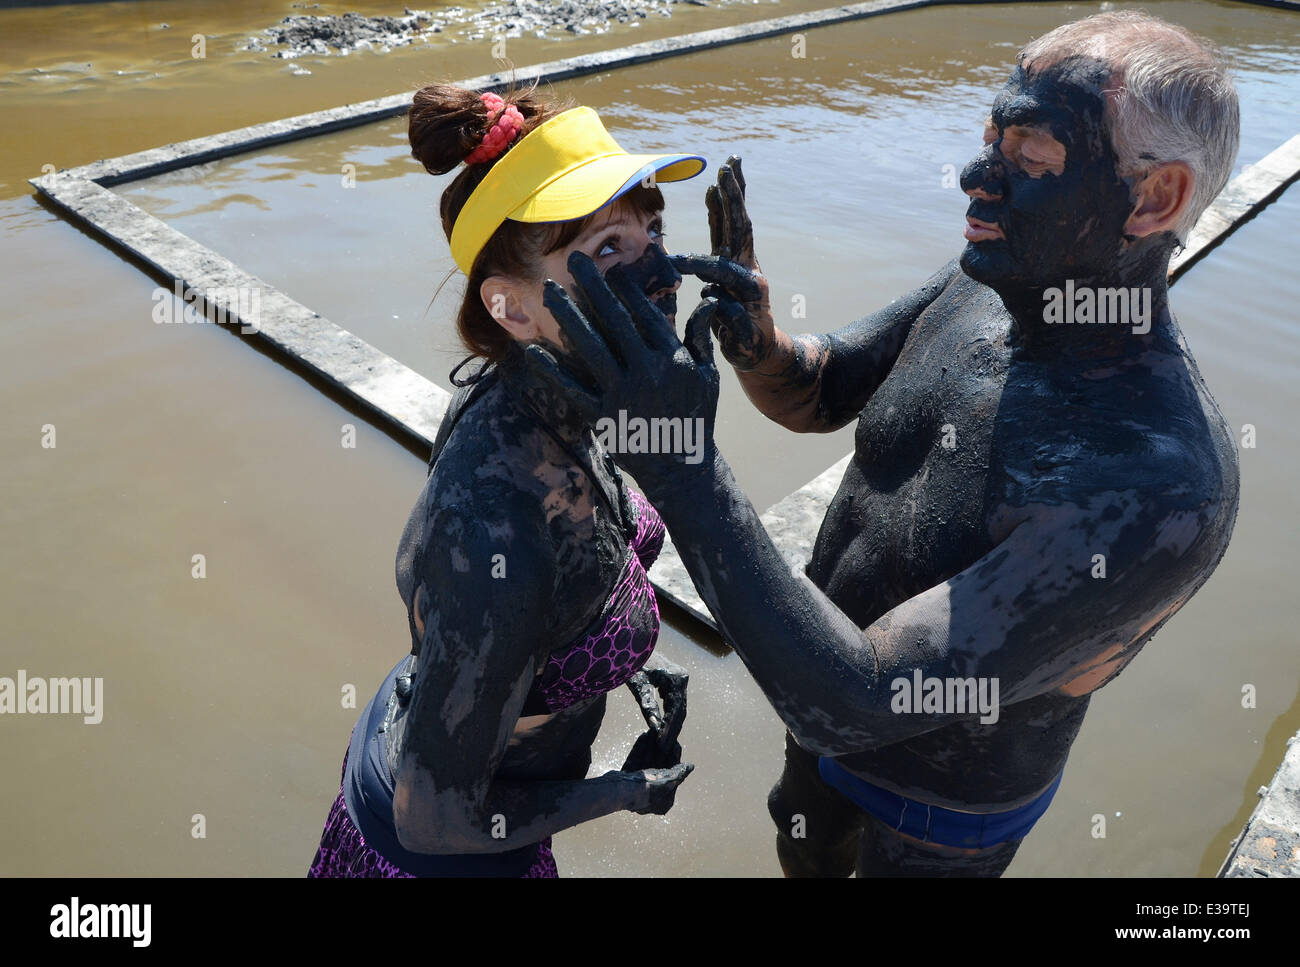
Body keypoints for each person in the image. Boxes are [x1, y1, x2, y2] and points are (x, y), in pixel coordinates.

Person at [519, 11, 1242, 875]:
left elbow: (856, 700)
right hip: (816, 712)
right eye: (988, 139)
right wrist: (760, 343)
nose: (976, 177)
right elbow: (823, 391)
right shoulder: (998, 277)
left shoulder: (1157, 482)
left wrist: (678, 462)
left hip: (938, 810)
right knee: (801, 838)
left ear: (1154, 197)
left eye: (1032, 158)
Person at [308, 82, 704, 877]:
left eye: (652, 229)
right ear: (512, 308)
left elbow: (548, 613)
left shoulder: (559, 395)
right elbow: (435, 817)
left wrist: (611, 665)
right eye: (606, 252)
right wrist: (623, 789)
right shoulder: (502, 517)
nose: (661, 270)